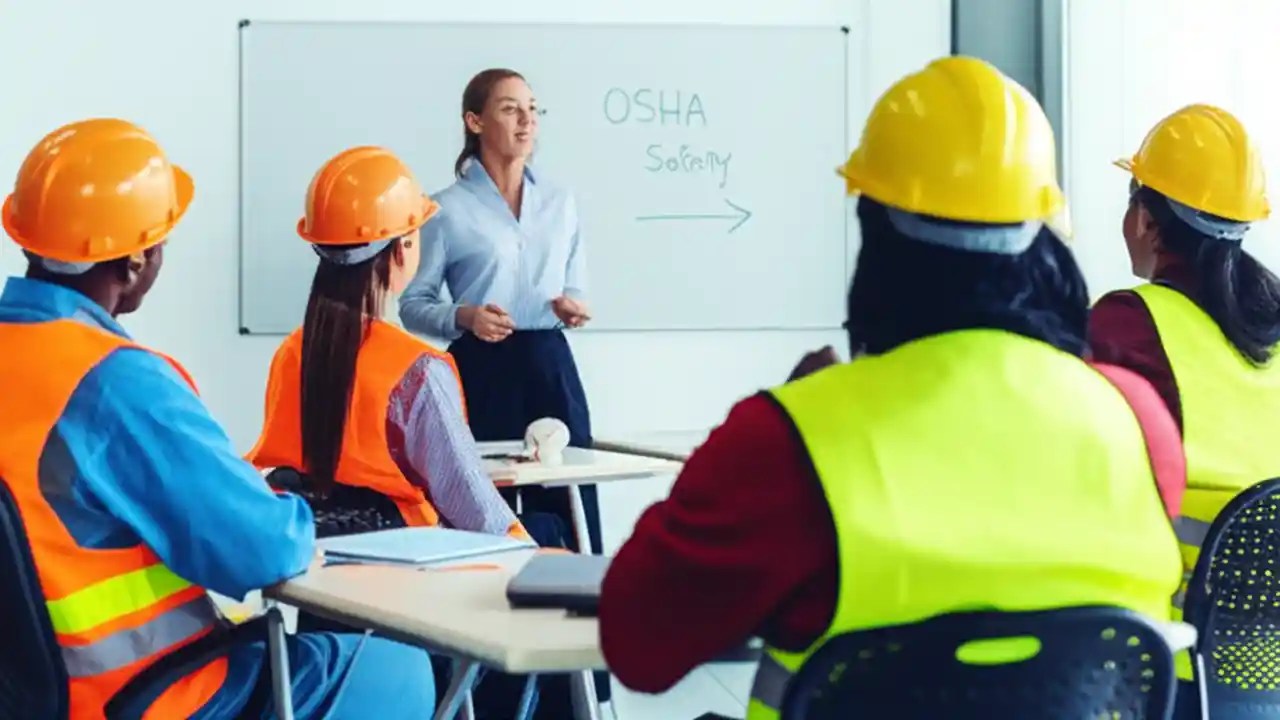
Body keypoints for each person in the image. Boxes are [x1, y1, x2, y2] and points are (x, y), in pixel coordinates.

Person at [597, 57, 1186, 720]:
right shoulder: (1136, 419)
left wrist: (800, 413)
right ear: (1045, 240)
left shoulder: (789, 438)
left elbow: (637, 644)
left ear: (874, 233)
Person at [0, 118, 435, 719]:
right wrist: (286, 513)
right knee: (396, 668)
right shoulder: (117, 382)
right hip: (148, 698)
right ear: (136, 261)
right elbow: (264, 550)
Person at [1089, 104, 1280, 697]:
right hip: (1268, 663)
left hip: (1166, 659)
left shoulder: (1126, 325)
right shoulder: (1271, 322)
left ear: (1146, 220)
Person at [248, 146, 528, 541]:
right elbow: (476, 511)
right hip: (403, 577)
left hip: (313, 569)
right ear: (403, 248)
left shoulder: (292, 353)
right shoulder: (417, 371)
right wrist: (535, 557)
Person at [398, 68, 601, 558]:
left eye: (533, 109)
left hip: (551, 364)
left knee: (571, 497)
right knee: (489, 502)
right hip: (482, 368)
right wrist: (465, 316)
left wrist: (573, 308)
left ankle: (579, 603)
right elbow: (413, 306)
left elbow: (576, 285)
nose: (526, 121)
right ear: (474, 121)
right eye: (510, 109)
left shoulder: (560, 202)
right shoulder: (443, 210)